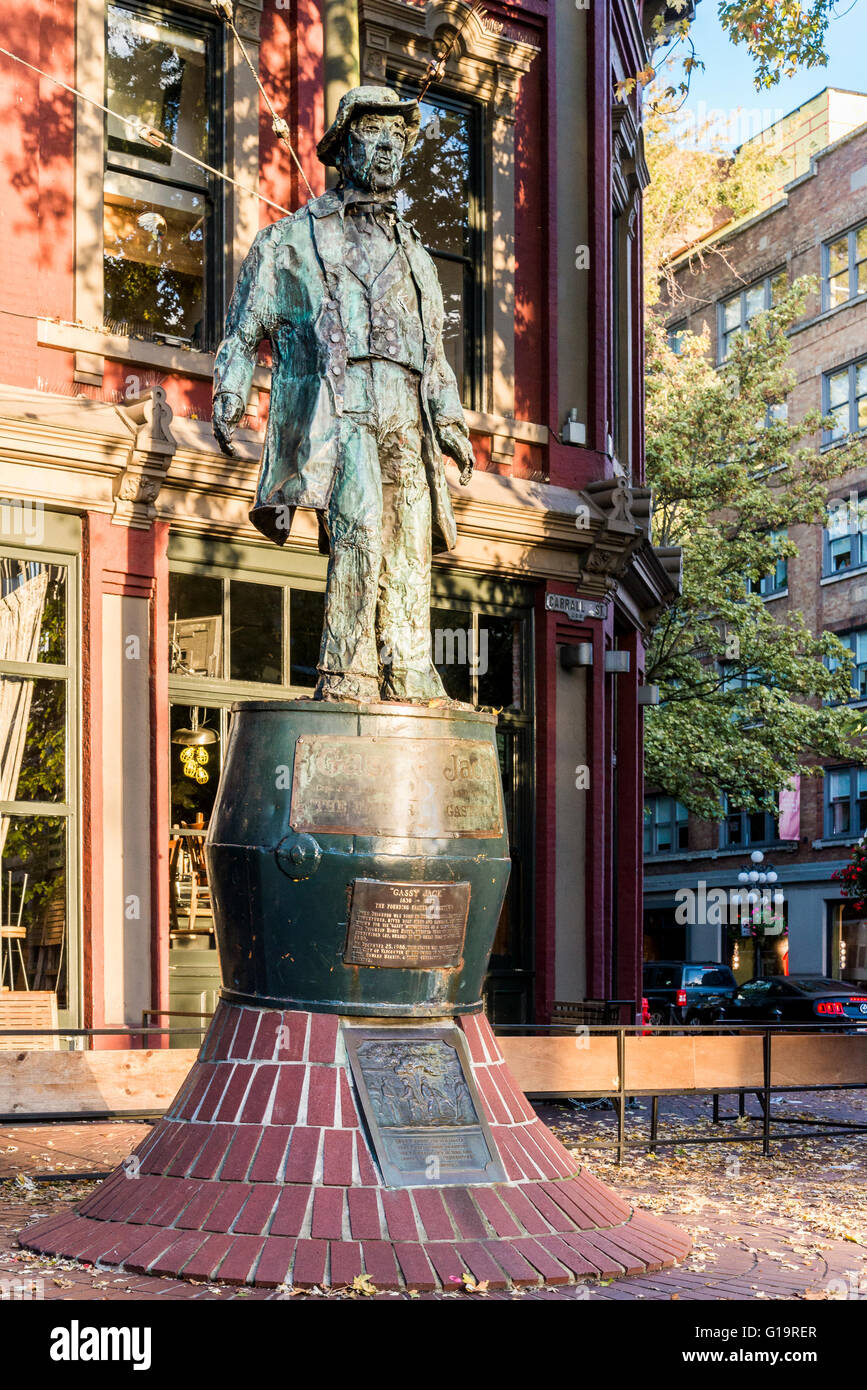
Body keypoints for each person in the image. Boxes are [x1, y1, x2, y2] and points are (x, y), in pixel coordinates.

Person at [212, 85, 474, 703]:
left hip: (407, 414)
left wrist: (452, 422)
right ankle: (347, 672)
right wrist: (230, 391)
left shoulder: (416, 253)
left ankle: (410, 667)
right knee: (358, 527)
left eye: (397, 138)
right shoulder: (293, 239)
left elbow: (432, 351)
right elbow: (246, 324)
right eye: (372, 134)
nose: (386, 148)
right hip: (345, 405)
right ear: (343, 144)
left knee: (409, 540)